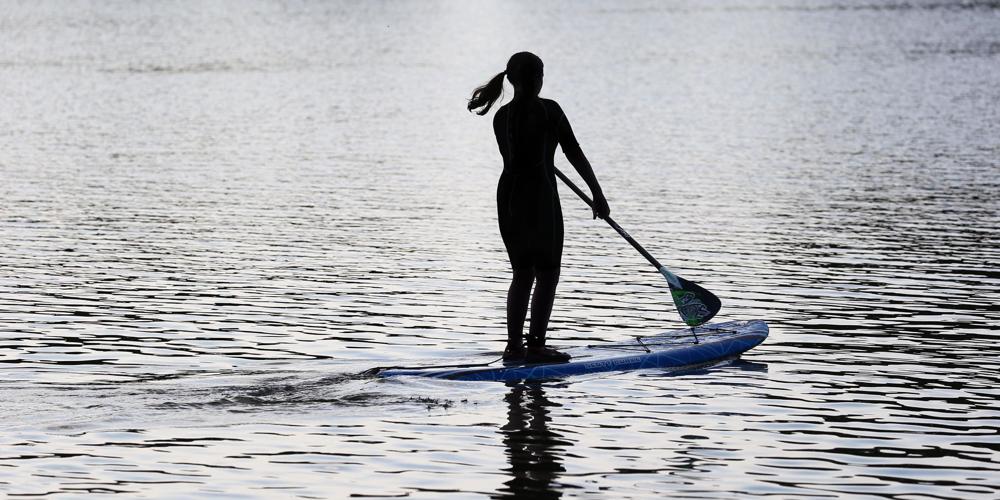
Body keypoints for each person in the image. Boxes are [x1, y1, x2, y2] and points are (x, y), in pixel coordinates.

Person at [467, 52, 610, 364]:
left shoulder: (500, 117)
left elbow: (520, 156)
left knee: (522, 273)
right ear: (536, 78)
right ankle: (536, 347)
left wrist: (545, 153)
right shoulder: (550, 110)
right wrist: (597, 194)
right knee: (547, 272)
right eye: (541, 74)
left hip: (509, 197)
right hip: (540, 196)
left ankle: (514, 347)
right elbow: (573, 152)